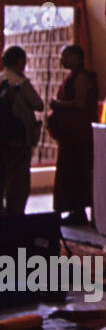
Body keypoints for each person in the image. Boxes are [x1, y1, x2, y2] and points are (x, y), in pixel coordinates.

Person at [48, 44, 98, 224]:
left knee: (77, 172)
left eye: (66, 56)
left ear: (76, 57)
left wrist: (58, 104)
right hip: (69, 135)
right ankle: (75, 211)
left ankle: (80, 211)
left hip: (79, 134)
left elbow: (80, 103)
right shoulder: (70, 76)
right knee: (69, 172)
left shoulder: (82, 77)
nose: (62, 60)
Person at [0, 45, 44, 216]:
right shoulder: (20, 82)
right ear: (20, 61)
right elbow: (38, 104)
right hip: (18, 140)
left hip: (3, 140)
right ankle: (17, 229)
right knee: (18, 184)